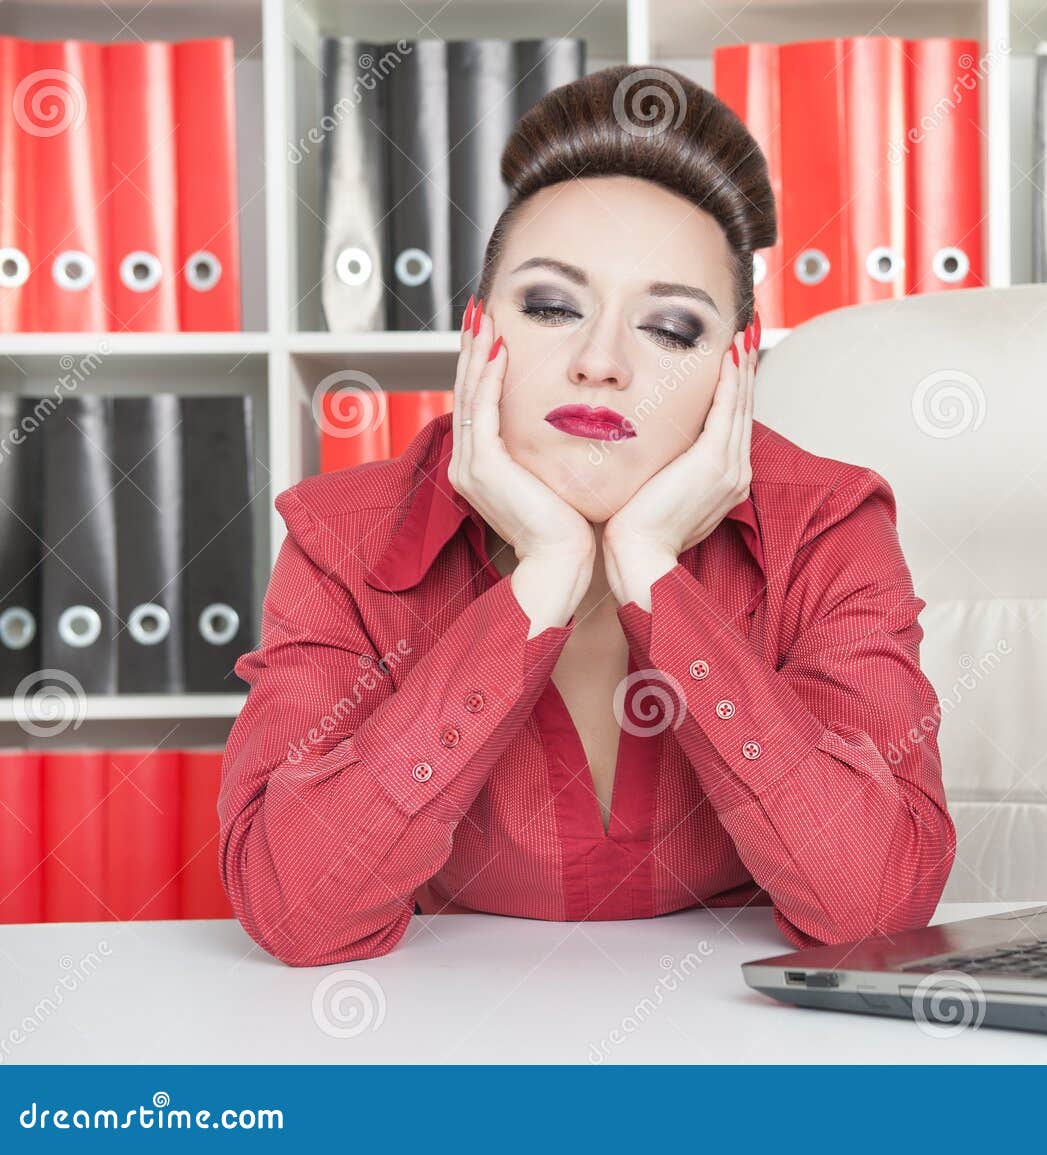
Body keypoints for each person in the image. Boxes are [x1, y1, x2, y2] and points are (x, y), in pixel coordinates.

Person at [218, 65, 956, 966]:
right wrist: (542, 583)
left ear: (738, 363)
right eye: (552, 306)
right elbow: (299, 913)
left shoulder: (827, 526)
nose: (600, 361)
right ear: (478, 334)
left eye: (671, 328)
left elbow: (872, 909)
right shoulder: (345, 535)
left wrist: (653, 572)